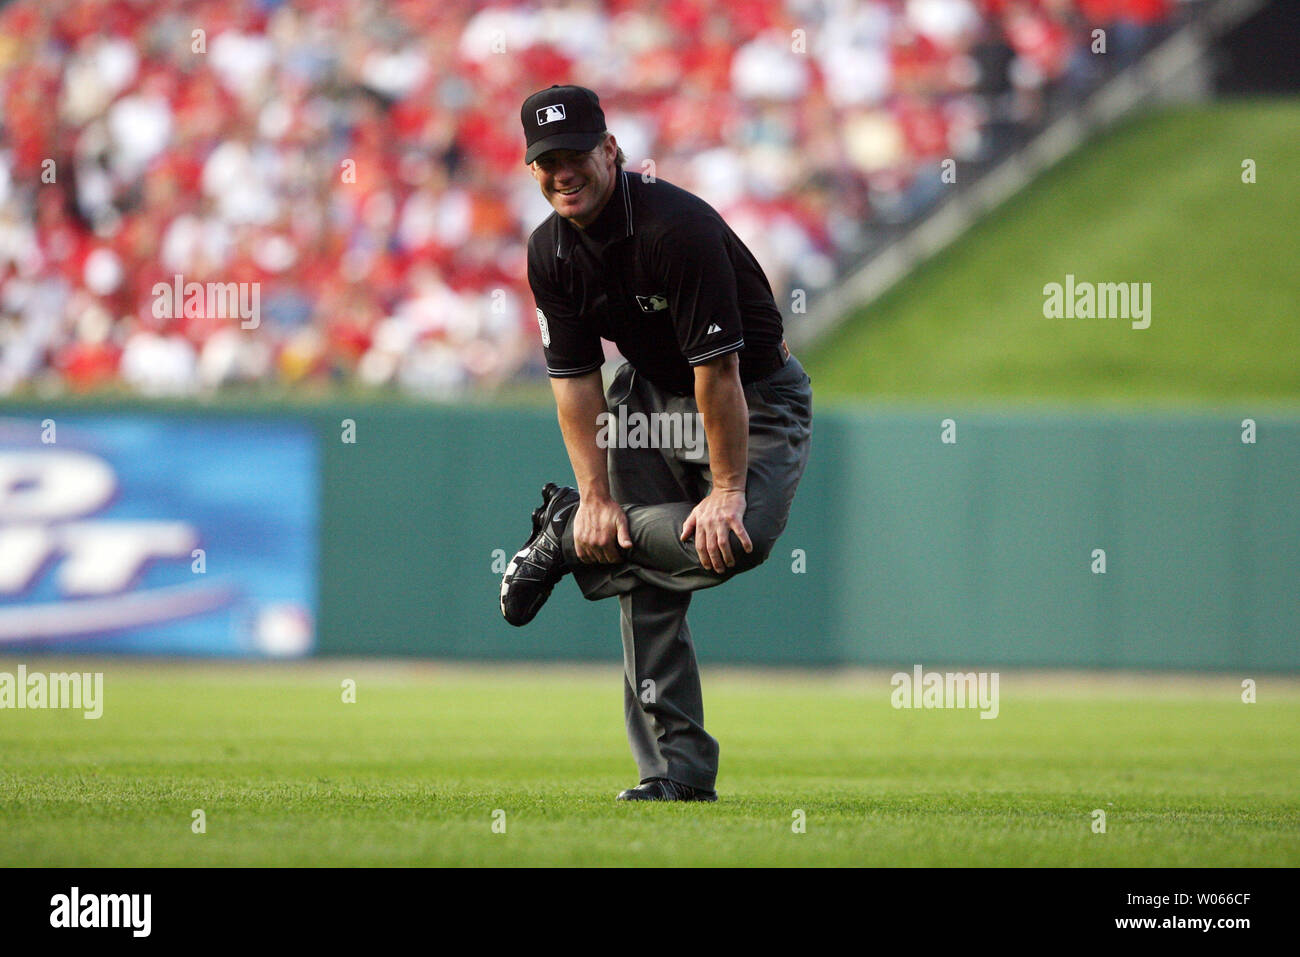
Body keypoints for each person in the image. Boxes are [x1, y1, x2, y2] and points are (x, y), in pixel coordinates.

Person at [500, 85, 812, 802]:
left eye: (575, 154)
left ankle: (560, 537)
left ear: (611, 150)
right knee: (636, 573)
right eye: (546, 162)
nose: (561, 173)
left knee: (740, 537)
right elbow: (575, 381)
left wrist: (728, 490)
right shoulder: (549, 249)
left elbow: (720, 369)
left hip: (750, 395)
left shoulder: (676, 227)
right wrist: (598, 498)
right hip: (645, 397)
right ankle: (675, 773)